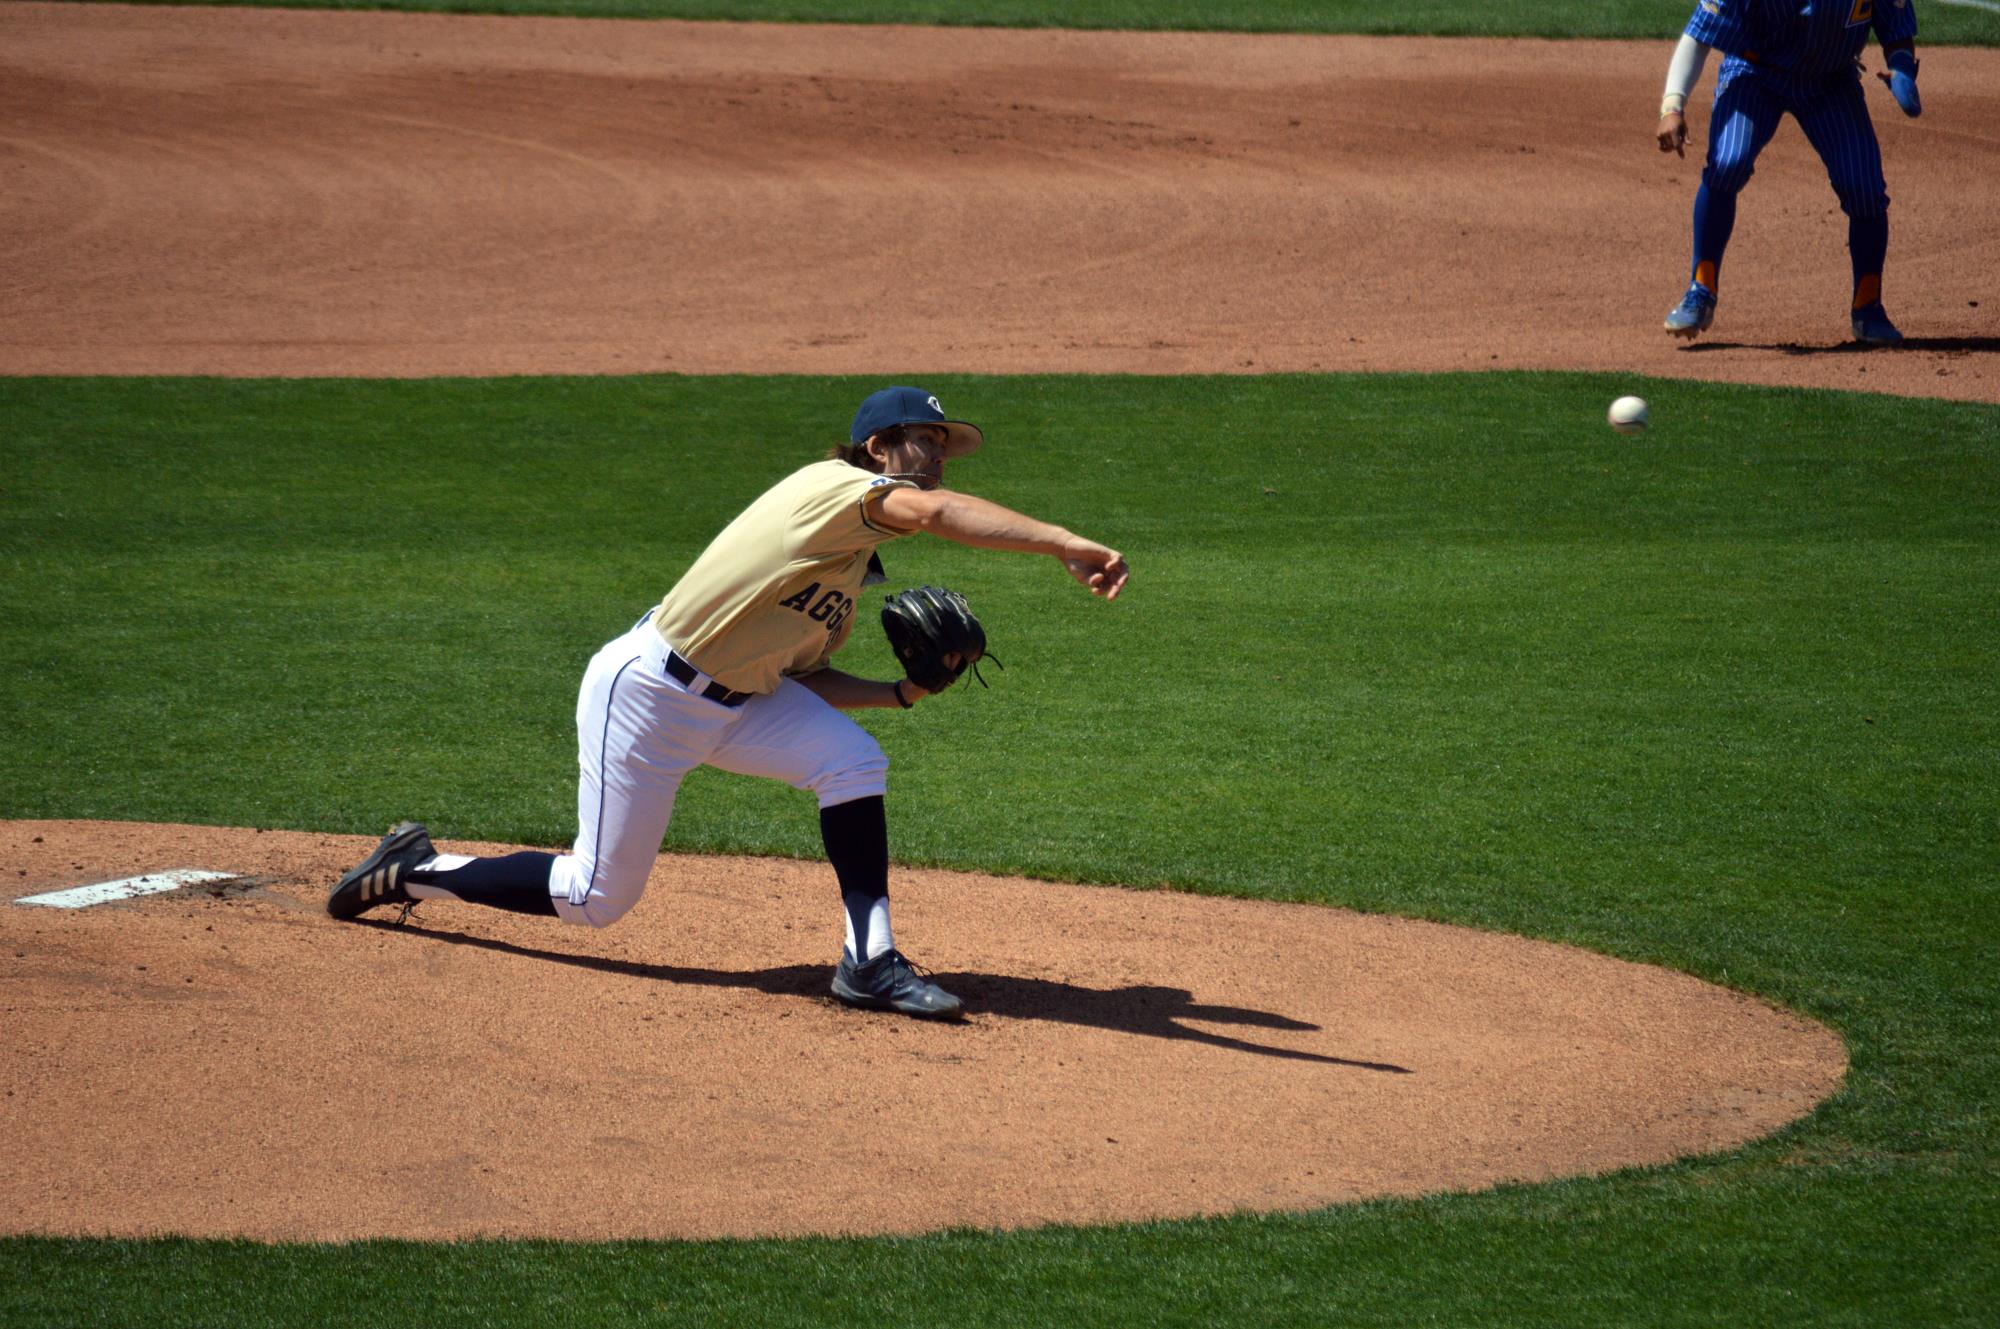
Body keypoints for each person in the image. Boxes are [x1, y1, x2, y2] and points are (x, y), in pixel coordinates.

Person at [327, 386, 1129, 1020]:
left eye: (948, 446)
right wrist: (1065, 542)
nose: (942, 457)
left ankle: (869, 958)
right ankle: (413, 868)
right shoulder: (835, 487)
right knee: (595, 898)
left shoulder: (845, 581)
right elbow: (937, 512)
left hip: (738, 706)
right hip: (647, 696)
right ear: (879, 446)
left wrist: (902, 692)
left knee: (853, 761)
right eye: (930, 439)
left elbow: (798, 676)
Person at [1655, 0, 1923, 346]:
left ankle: (1868, 308)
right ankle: (1701, 289)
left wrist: (1902, 68)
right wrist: (1672, 106)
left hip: (1830, 82)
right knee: (1728, 162)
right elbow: (1700, 32)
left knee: (1864, 187)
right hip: (1754, 74)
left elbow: (1896, 28)